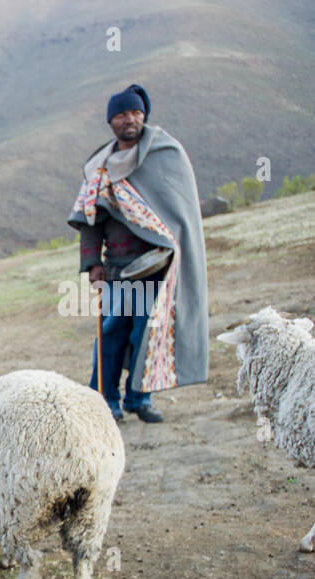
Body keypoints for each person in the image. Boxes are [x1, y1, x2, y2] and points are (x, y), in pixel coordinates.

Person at [67, 83, 210, 422]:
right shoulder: (100, 168)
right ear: (110, 122)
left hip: (155, 268)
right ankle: (105, 402)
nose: (129, 119)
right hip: (117, 269)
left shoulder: (165, 156)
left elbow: (180, 212)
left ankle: (138, 399)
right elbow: (90, 220)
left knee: (147, 333)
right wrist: (92, 265)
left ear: (143, 117)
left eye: (135, 113)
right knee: (112, 332)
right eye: (121, 114)